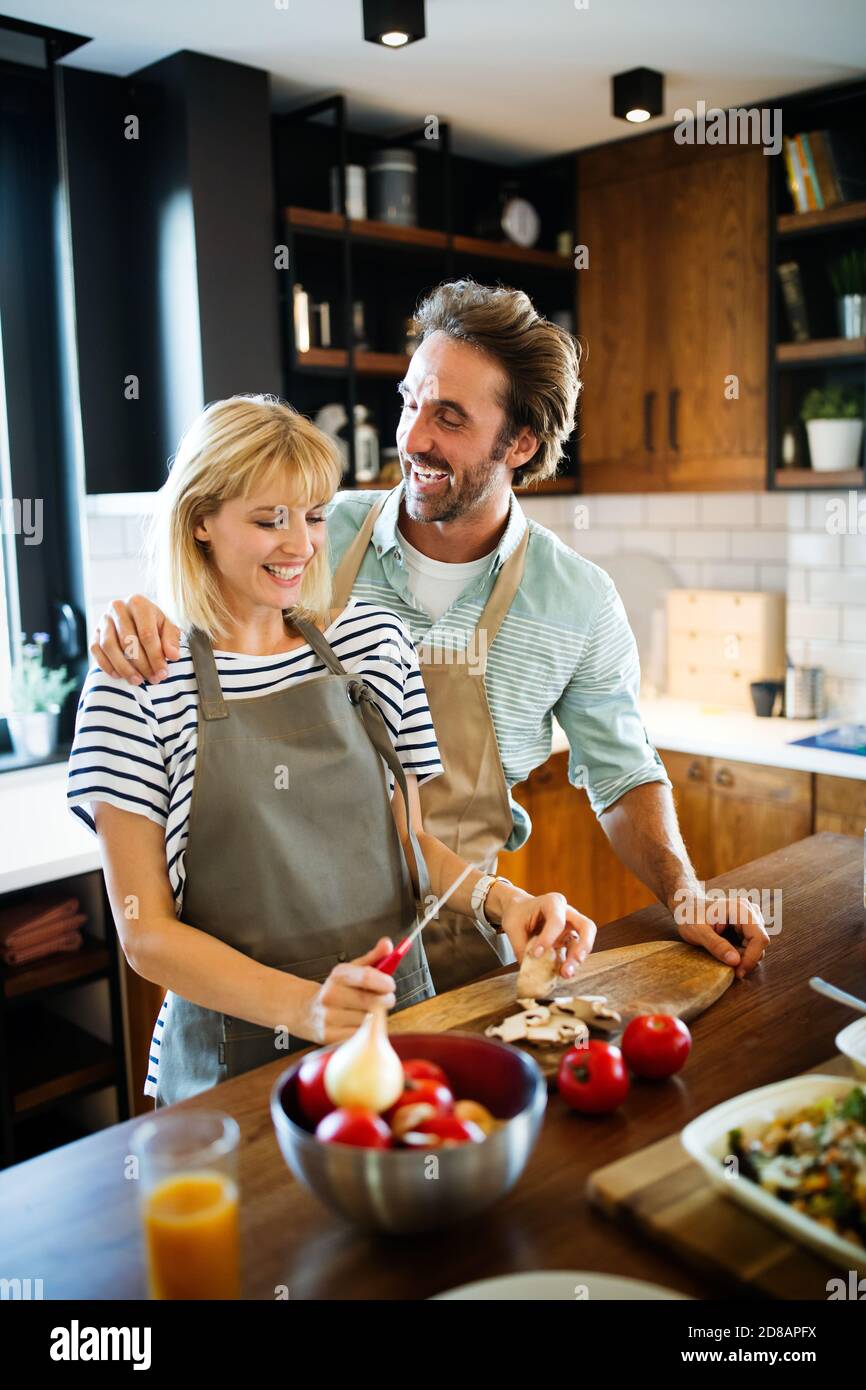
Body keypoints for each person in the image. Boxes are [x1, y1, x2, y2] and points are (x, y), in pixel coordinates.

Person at [90, 279, 770, 992]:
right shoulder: (315, 534)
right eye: (410, 402)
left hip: (468, 944)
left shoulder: (577, 601)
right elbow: (202, 612)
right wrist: (137, 616)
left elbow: (622, 776)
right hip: (279, 954)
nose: (413, 438)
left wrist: (686, 891)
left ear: (521, 442)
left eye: (449, 416)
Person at [68, 396, 593, 1107]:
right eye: (268, 519)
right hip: (232, 1063)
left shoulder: (372, 645)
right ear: (200, 519)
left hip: (393, 1024)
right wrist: (308, 1010)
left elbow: (407, 845)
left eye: (312, 515)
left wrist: (502, 900)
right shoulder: (136, 686)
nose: (300, 544)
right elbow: (147, 935)